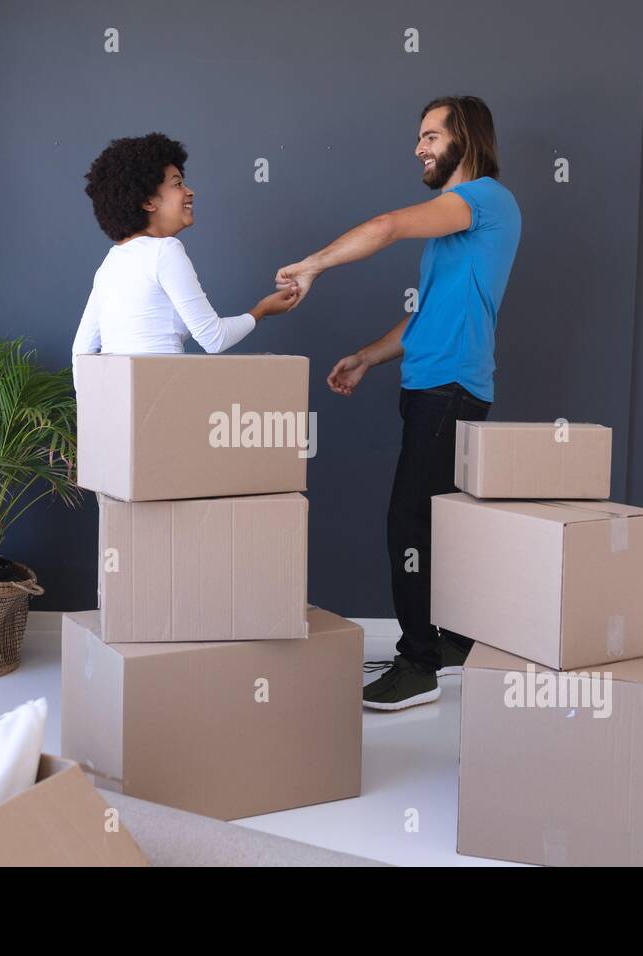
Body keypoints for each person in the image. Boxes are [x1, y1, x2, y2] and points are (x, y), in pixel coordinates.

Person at [275, 95, 522, 711]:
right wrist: (367, 356)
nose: (419, 148)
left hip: (450, 389)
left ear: (465, 137)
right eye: (419, 137)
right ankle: (455, 642)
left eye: (432, 136)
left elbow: (385, 227)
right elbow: (426, 317)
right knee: (440, 522)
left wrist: (313, 265)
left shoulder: (485, 199)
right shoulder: (457, 223)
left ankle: (418, 663)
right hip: (433, 384)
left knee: (407, 521)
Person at [72, 132, 296, 374]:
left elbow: (81, 351)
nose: (190, 192)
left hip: (118, 403)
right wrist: (262, 310)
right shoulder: (164, 251)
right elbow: (214, 339)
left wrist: (95, 406)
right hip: (162, 395)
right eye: (177, 184)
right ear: (148, 202)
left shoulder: (111, 263)